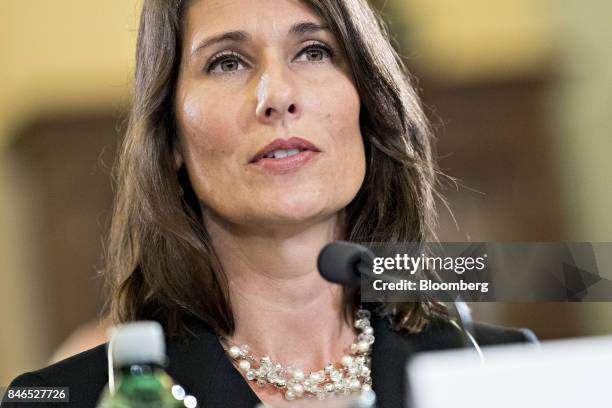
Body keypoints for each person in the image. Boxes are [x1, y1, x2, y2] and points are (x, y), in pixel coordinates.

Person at [6, 0, 536, 407]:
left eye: (314, 51)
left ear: (367, 103)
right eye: (227, 62)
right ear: (170, 139)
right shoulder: (70, 399)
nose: (277, 95)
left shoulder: (504, 369)